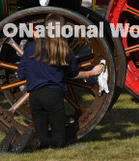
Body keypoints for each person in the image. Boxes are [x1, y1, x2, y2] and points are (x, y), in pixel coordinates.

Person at [9, 13, 105, 153]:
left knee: (42, 137)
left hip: (34, 95)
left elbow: (21, 73)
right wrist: (93, 72)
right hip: (54, 96)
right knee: (59, 140)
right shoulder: (64, 50)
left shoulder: (30, 47)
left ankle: (17, 138)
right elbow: (74, 74)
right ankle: (33, 140)